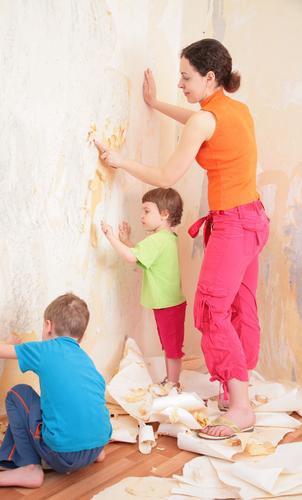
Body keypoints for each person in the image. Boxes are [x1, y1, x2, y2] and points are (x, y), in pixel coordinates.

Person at [95, 38, 269, 439]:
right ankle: (237, 390)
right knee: (241, 305)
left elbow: (166, 177)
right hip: (254, 219)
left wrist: (120, 160)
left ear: (209, 77)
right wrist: (155, 106)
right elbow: (198, 119)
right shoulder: (233, 109)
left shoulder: (204, 120)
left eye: (186, 77)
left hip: (233, 226)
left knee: (211, 309)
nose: (180, 84)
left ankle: (240, 407)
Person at [0, 293, 112, 488]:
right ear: (82, 336)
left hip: (63, 455)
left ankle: (30, 468)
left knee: (18, 393)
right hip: (96, 447)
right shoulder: (86, 360)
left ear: (48, 326)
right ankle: (92, 447)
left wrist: (11, 341)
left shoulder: (44, 349)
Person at [101, 187, 187, 394]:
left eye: (147, 211)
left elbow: (132, 257)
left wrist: (110, 237)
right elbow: (143, 257)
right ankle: (172, 381)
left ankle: (173, 384)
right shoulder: (165, 238)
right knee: (169, 345)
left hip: (168, 304)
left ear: (164, 214)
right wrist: (127, 241)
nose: (142, 216)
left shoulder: (158, 240)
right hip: (168, 302)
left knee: (172, 347)